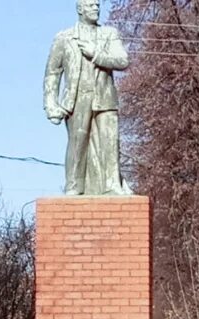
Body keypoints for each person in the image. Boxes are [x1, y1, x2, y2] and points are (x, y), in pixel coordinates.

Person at [43, 0, 131, 195]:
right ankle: (74, 187)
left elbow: (123, 60)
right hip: (76, 99)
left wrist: (96, 54)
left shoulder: (109, 34)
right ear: (80, 9)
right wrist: (51, 104)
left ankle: (112, 185)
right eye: (91, 5)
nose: (96, 8)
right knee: (77, 145)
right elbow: (52, 73)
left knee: (110, 143)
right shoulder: (64, 38)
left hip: (105, 98)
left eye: (97, 5)